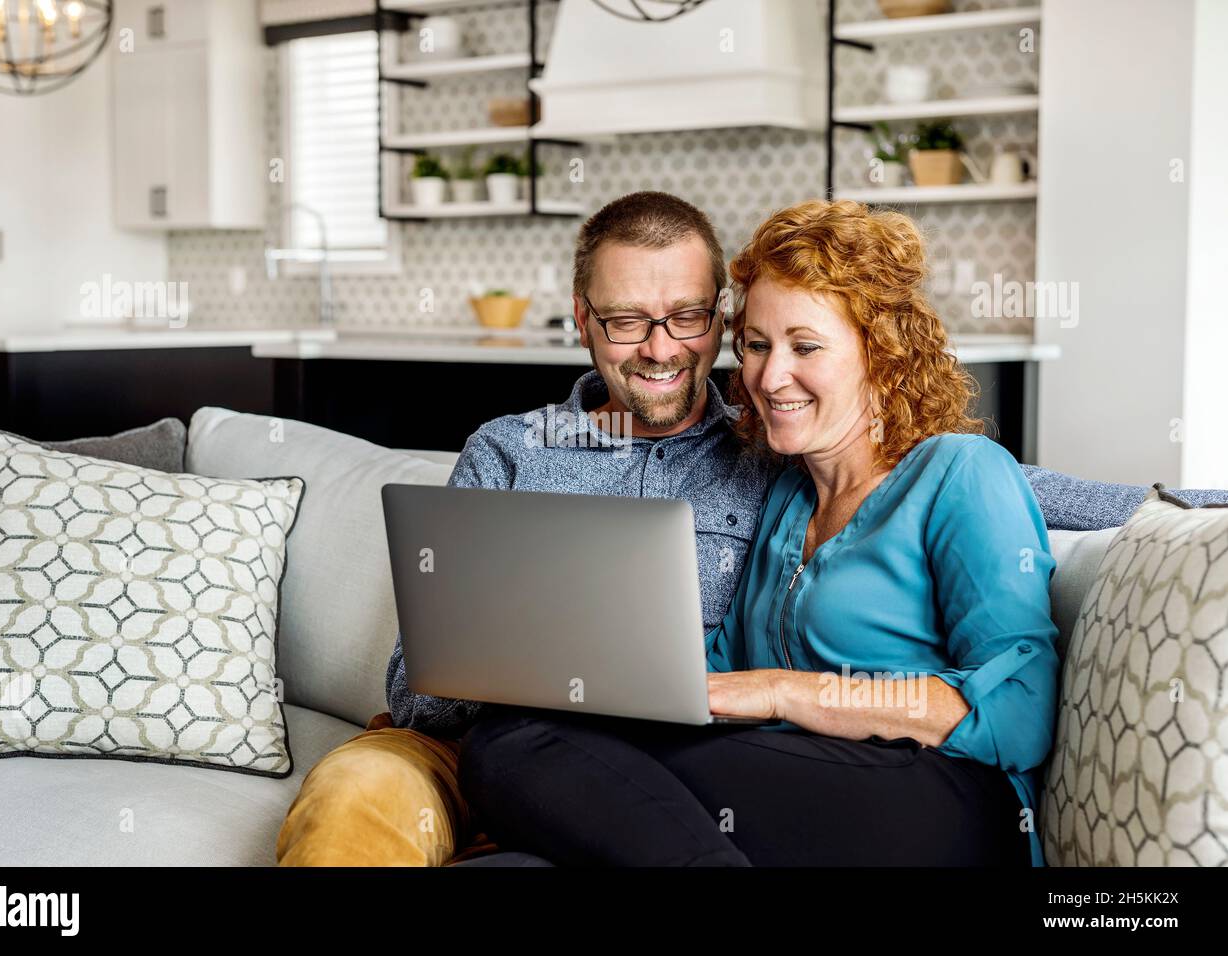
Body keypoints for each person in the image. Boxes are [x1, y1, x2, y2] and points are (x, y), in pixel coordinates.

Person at [276, 193, 1228, 867]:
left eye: (690, 318)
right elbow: (430, 681)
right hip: (649, 774)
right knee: (479, 789)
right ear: (582, 322)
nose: (665, 348)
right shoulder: (751, 484)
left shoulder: (859, 463)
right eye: (761, 347)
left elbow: (1003, 576)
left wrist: (1186, 500)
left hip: (895, 794)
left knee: (524, 745)